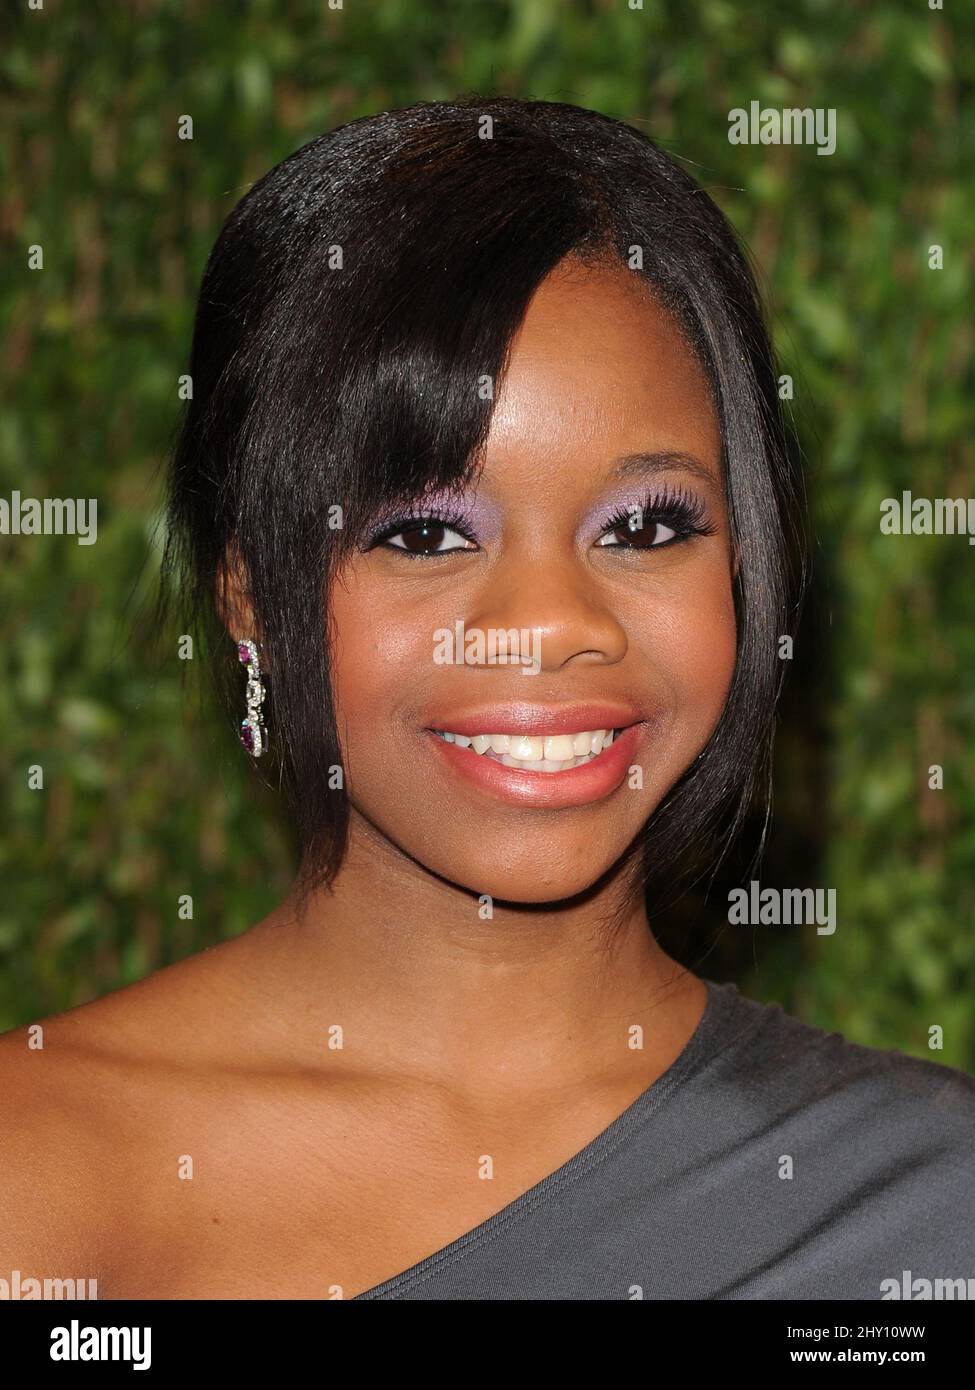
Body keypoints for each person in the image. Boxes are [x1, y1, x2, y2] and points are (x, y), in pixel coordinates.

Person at [1, 96, 971, 1301]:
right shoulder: (37, 1174)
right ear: (248, 594)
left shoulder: (927, 1199)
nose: (553, 623)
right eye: (422, 531)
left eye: (647, 524)